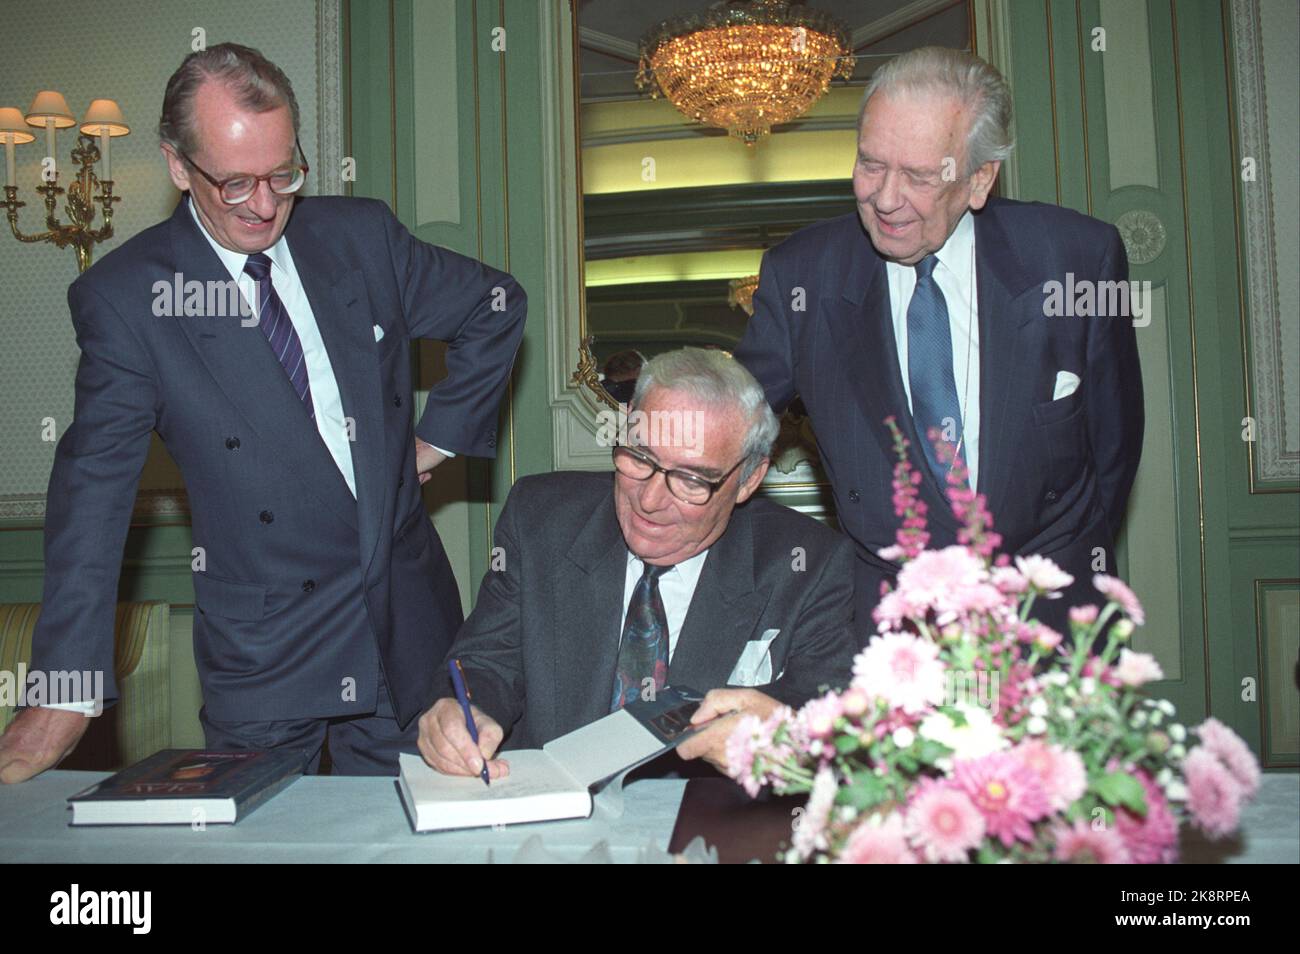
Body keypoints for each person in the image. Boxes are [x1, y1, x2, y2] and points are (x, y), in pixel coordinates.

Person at [0, 43, 526, 782]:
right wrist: (64, 684)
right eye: (236, 183)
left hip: (404, 627)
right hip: (266, 649)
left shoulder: (358, 237)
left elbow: (495, 306)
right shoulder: (128, 299)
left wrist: (434, 442)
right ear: (179, 167)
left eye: (284, 174)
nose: (266, 204)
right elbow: (92, 489)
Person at [734, 46, 1143, 638]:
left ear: (979, 180)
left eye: (920, 176)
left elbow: (1114, 445)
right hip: (889, 628)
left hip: (1048, 619)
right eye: (870, 164)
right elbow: (731, 425)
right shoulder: (803, 276)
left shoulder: (1075, 260)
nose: (885, 198)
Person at [417, 348, 857, 777]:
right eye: (640, 457)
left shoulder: (807, 565)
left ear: (748, 480)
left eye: (690, 479)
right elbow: (486, 661)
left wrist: (781, 731)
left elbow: (826, 712)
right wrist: (461, 710)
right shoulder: (540, 521)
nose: (649, 500)